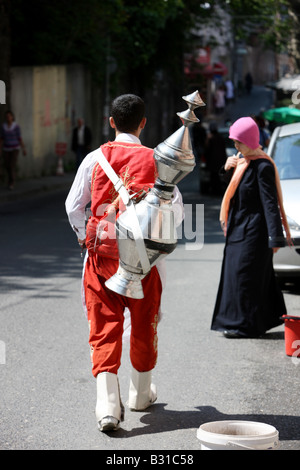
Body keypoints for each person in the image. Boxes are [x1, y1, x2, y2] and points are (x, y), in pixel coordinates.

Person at [65, 94, 183, 432]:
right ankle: (140, 395)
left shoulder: (93, 158)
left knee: (103, 328)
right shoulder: (160, 161)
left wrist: (84, 238)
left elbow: (74, 206)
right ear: (143, 123)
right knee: (145, 325)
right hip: (145, 260)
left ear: (111, 121)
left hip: (101, 258)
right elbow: (176, 211)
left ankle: (107, 407)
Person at [211, 117, 292, 339]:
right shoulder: (242, 163)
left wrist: (276, 237)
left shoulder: (263, 166)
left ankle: (245, 325)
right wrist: (226, 170)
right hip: (239, 229)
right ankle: (242, 322)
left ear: (250, 140)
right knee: (237, 275)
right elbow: (230, 191)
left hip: (255, 233)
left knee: (246, 277)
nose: (236, 147)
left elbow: (270, 203)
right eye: (234, 142)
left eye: (239, 142)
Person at [0, 110, 26, 189]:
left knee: (12, 165)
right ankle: (10, 180)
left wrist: (23, 148)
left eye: (9, 116)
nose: (8, 118)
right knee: (7, 165)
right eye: (7, 116)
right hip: (6, 148)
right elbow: (1, 138)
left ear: (12, 117)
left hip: (15, 148)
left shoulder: (16, 127)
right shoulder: (3, 127)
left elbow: (19, 138)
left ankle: (12, 182)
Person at [204, 122, 227, 195]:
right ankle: (217, 190)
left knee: (214, 177)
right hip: (219, 161)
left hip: (213, 162)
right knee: (217, 177)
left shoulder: (210, 137)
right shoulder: (220, 137)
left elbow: (206, 150)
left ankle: (215, 190)